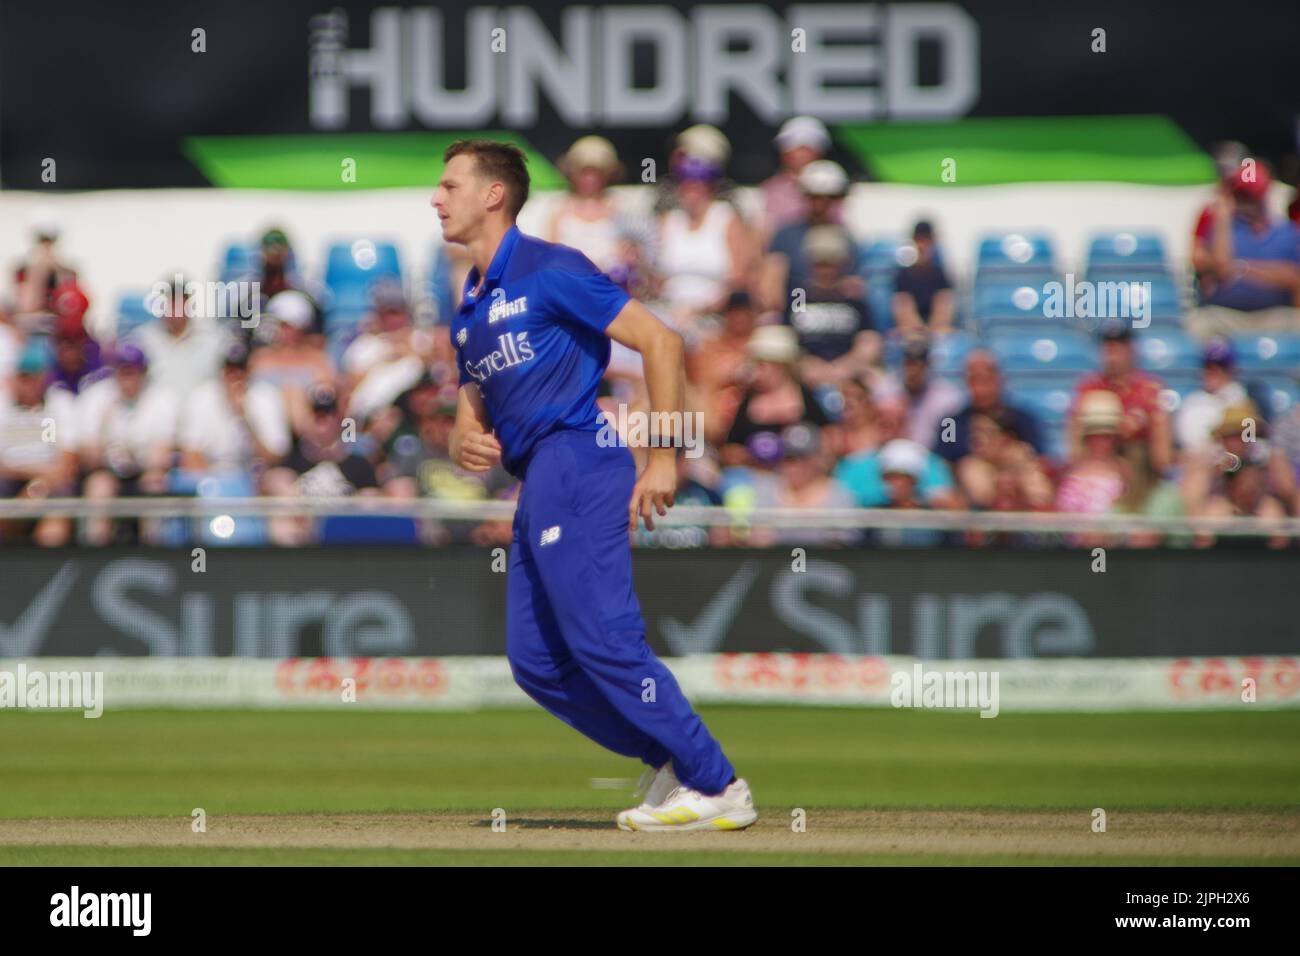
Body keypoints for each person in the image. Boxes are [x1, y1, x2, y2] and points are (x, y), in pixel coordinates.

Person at [436, 139, 755, 831]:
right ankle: (672, 761)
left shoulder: (552, 268)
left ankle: (717, 783)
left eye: (450, 184)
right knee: (535, 662)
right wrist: (464, 433)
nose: (437, 198)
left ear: (494, 195)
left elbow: (662, 340)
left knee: (603, 639)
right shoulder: (469, 303)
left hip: (580, 457)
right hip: (537, 477)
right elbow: (473, 391)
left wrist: (666, 457)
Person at [1187, 163, 1300, 338]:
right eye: (1240, 194)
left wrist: (1243, 267)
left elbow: (1293, 277)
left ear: (1264, 195)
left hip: (1274, 316)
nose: (1245, 201)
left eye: (1250, 195)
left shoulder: (1287, 232)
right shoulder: (1220, 229)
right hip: (1227, 316)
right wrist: (1222, 219)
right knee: (1200, 325)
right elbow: (1222, 268)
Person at [1069, 320, 1172, 475]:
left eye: (1118, 347)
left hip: (1141, 470)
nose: (1112, 354)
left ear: (1131, 349)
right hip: (1099, 467)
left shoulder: (1149, 389)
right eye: (1108, 347)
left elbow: (1161, 451)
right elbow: (1075, 442)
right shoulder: (1089, 388)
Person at [937, 351, 1044, 463]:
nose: (980, 389)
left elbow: (1039, 459)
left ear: (1000, 380)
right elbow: (943, 464)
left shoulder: (1023, 420)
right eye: (973, 380)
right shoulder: (951, 424)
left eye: (985, 380)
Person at [759, 116, 833, 238]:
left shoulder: (834, 185)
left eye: (806, 149)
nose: (801, 155)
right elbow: (764, 232)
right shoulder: (772, 189)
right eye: (795, 149)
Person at [893, 221, 955, 334]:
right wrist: (918, 330)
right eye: (919, 240)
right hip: (910, 329)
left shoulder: (940, 274)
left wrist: (931, 332)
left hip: (936, 329)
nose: (922, 245)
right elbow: (903, 309)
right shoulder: (903, 275)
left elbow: (943, 309)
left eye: (927, 241)